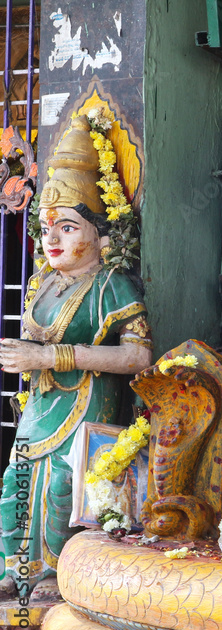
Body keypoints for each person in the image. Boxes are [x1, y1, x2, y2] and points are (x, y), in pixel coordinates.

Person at [0, 116, 152, 603]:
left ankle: (55, 577)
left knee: (64, 487)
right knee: (14, 486)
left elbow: (139, 354)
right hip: (41, 408)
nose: (53, 239)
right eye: (47, 228)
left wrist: (50, 354)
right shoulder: (41, 285)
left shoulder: (111, 284)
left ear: (101, 235)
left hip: (91, 409)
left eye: (68, 226)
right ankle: (16, 572)